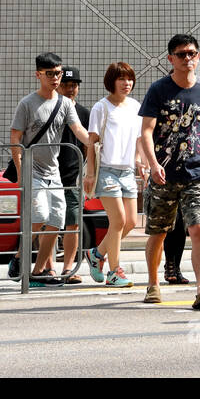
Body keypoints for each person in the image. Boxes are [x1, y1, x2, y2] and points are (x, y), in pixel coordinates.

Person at [139, 34, 200, 310]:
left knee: (198, 230)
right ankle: (153, 284)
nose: (188, 58)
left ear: (198, 56)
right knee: (159, 231)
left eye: (192, 53)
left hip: (196, 174)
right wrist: (153, 165)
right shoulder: (158, 90)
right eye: (182, 54)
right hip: (164, 174)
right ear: (170, 59)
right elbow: (147, 132)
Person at [9, 52, 94, 287]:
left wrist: (94, 140)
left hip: (53, 171)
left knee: (56, 220)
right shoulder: (27, 103)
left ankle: (38, 271)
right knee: (40, 217)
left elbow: (78, 130)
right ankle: (18, 256)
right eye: (50, 74)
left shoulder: (65, 103)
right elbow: (15, 137)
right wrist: (19, 171)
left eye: (58, 73)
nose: (55, 78)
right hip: (31, 169)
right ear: (38, 75)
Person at [84, 62, 147, 288]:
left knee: (130, 221)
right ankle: (115, 271)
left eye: (129, 79)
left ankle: (96, 253)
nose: (126, 83)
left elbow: (140, 140)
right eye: (121, 79)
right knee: (118, 220)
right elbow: (92, 142)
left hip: (128, 170)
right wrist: (90, 173)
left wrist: (141, 163)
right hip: (107, 170)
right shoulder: (101, 107)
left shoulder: (135, 106)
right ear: (112, 81)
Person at [56, 68, 91, 283]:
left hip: (73, 177)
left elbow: (88, 147)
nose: (70, 89)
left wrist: (87, 174)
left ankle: (68, 268)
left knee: (73, 224)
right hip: (48, 174)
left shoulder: (85, 114)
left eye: (74, 85)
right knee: (46, 223)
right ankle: (48, 266)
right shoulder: (49, 109)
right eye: (66, 85)